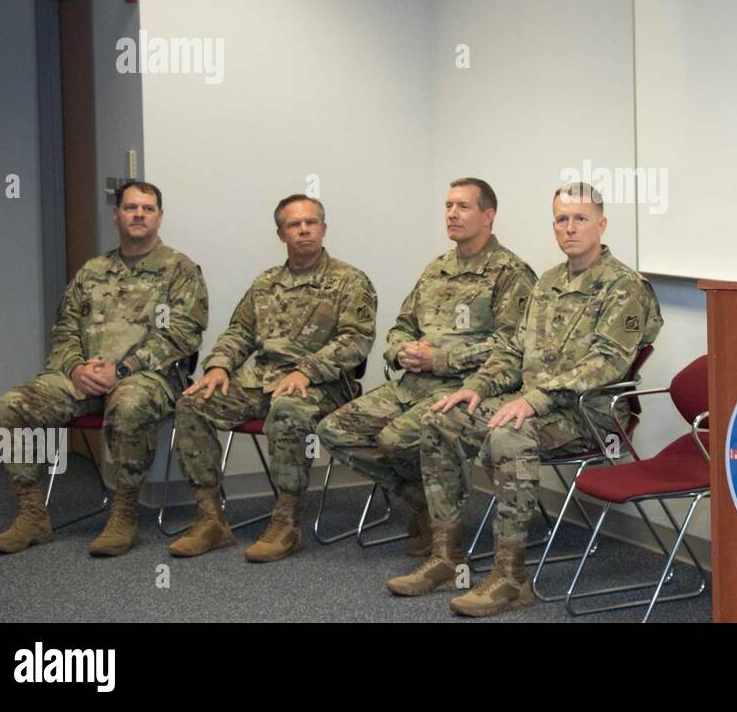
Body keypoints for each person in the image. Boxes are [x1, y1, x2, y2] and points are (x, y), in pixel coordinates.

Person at [386, 181, 663, 616]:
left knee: (510, 435)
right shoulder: (549, 282)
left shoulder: (625, 288)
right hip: (531, 400)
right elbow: (514, 351)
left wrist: (535, 400)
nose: (569, 228)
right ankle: (445, 557)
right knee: (442, 419)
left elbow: (605, 365)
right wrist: (476, 387)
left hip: (586, 413)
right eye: (561, 219)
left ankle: (512, 578)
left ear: (602, 224)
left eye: (580, 219)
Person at [316, 178, 535, 556]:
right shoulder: (437, 269)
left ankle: (442, 518)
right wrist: (400, 351)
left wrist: (443, 359)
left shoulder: (510, 273)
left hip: (461, 388)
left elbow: (512, 347)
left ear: (488, 215)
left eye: (463, 207)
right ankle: (420, 496)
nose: (452, 214)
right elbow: (402, 323)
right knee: (333, 430)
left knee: (393, 440)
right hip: (412, 382)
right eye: (448, 206)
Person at [0, 181, 208, 557]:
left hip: (148, 378)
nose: (139, 214)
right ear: (116, 214)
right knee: (15, 404)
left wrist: (122, 370)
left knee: (129, 405)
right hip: (85, 378)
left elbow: (184, 336)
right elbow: (64, 329)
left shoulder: (179, 269)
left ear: (159, 216)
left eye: (148, 208)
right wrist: (74, 369)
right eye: (130, 207)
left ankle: (123, 513)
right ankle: (31, 515)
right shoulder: (92, 271)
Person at [169, 194, 376, 563]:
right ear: (281, 234)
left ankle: (286, 522)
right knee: (192, 402)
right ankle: (210, 519)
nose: (304, 230)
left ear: (324, 229)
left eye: (311, 223)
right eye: (294, 225)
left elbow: (355, 341)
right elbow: (239, 333)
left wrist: (305, 371)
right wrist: (218, 365)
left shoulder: (349, 280)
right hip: (260, 380)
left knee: (286, 410)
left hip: (322, 386)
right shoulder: (265, 283)